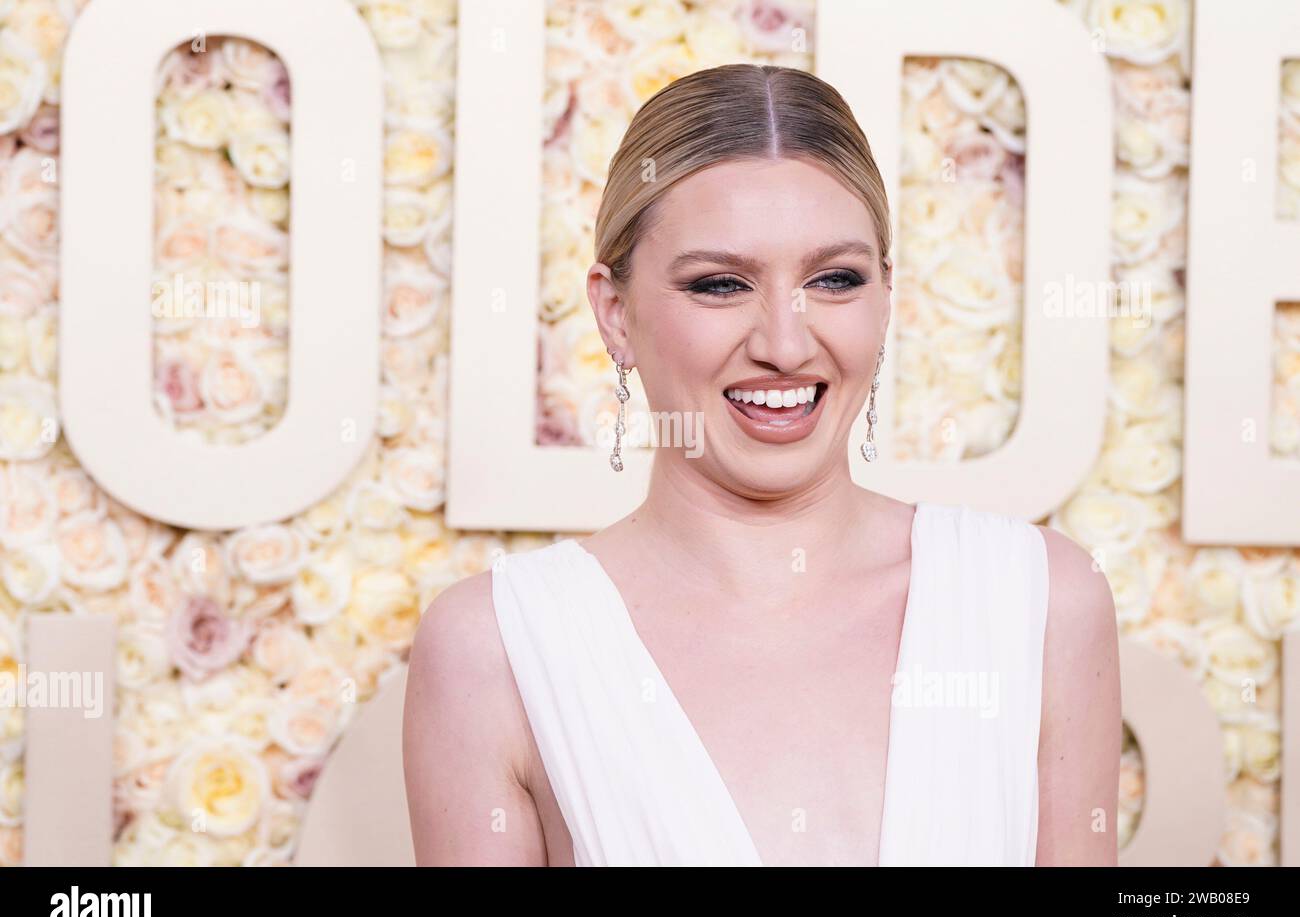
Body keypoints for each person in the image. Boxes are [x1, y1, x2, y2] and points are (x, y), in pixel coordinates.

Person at [403, 63, 1120, 866]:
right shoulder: (492, 645)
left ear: (886, 296)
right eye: (720, 284)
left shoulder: (1040, 600)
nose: (784, 344)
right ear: (615, 314)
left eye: (835, 279)